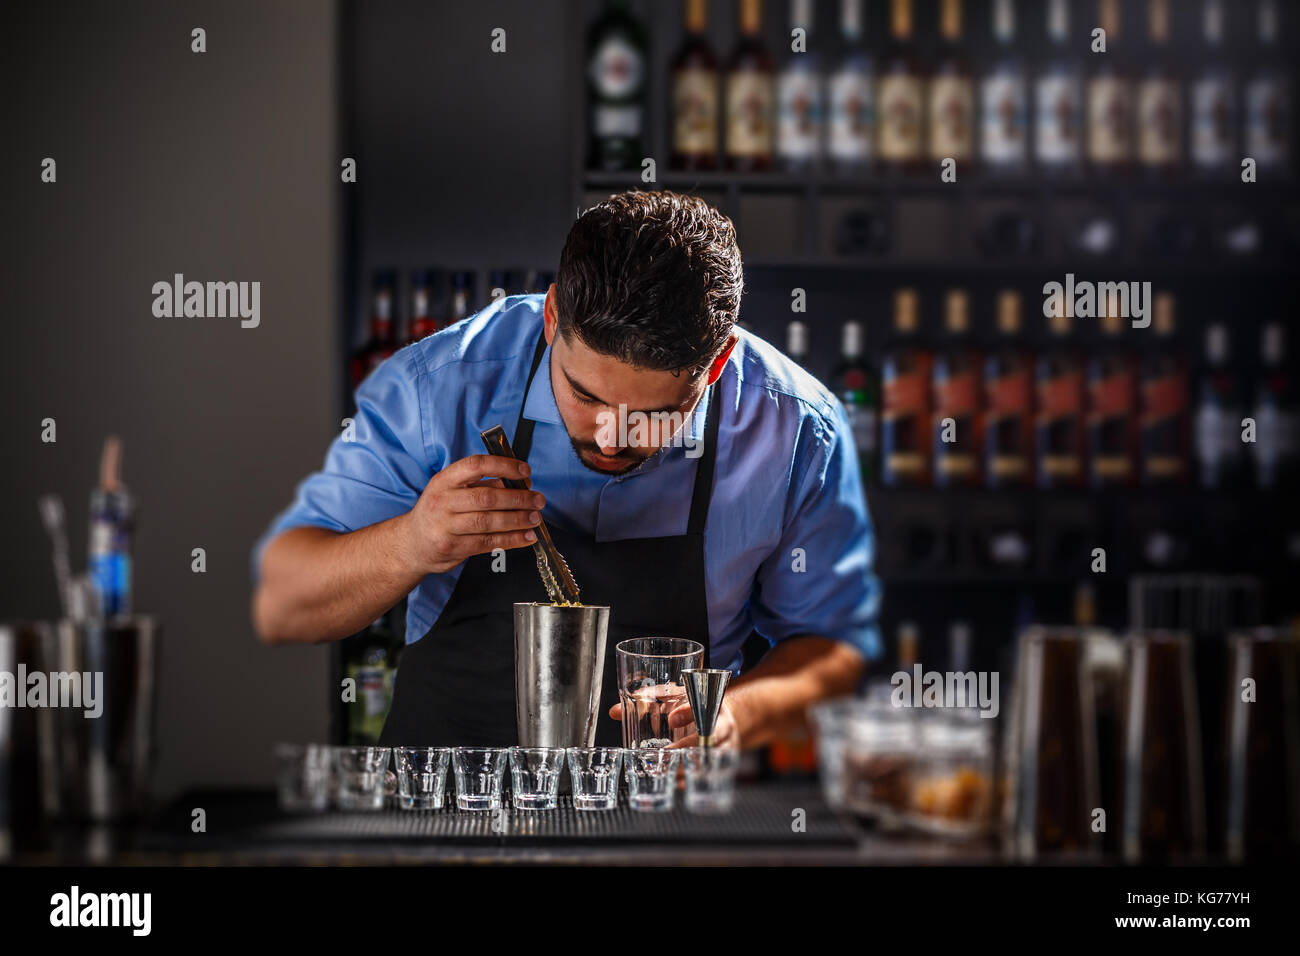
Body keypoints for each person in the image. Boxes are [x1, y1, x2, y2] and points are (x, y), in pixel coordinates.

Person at [251, 189, 881, 749]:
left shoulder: (794, 426)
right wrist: (412, 542)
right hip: (442, 808)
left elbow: (833, 649)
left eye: (652, 416)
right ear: (553, 319)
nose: (610, 437)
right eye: (585, 397)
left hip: (662, 814)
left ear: (715, 367)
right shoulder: (438, 388)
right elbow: (288, 601)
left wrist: (731, 716)